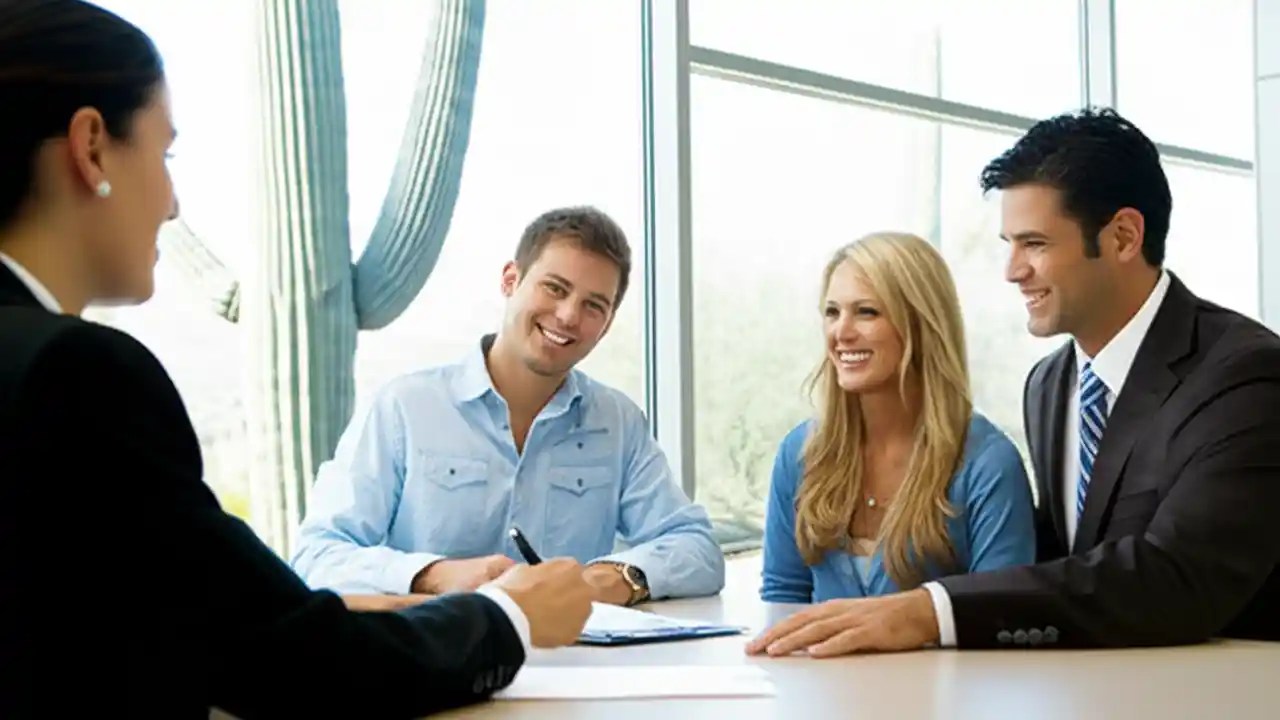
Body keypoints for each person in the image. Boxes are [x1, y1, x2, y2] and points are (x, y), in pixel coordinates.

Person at [0, 2, 594, 717]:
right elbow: (285, 663)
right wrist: (509, 616)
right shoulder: (75, 375)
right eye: (165, 156)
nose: (172, 203)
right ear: (92, 148)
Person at [747, 108, 1280, 658]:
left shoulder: (1244, 375)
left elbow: (1179, 576)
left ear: (1123, 237)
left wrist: (933, 610)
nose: (1012, 270)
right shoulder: (1049, 386)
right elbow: (1064, 567)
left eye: (1035, 244)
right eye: (1010, 243)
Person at [290, 206, 725, 607]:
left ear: (607, 323)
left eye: (594, 306)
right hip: (437, 655)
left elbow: (698, 548)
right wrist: (436, 575)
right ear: (510, 280)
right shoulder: (403, 407)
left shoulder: (618, 422)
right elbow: (317, 555)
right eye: (555, 288)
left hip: (578, 660)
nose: (568, 316)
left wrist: (610, 579)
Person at [761, 232, 1034, 605]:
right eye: (832, 312)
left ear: (921, 325)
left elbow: (1002, 612)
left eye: (867, 312)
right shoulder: (801, 452)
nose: (842, 332)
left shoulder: (988, 464)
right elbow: (783, 598)